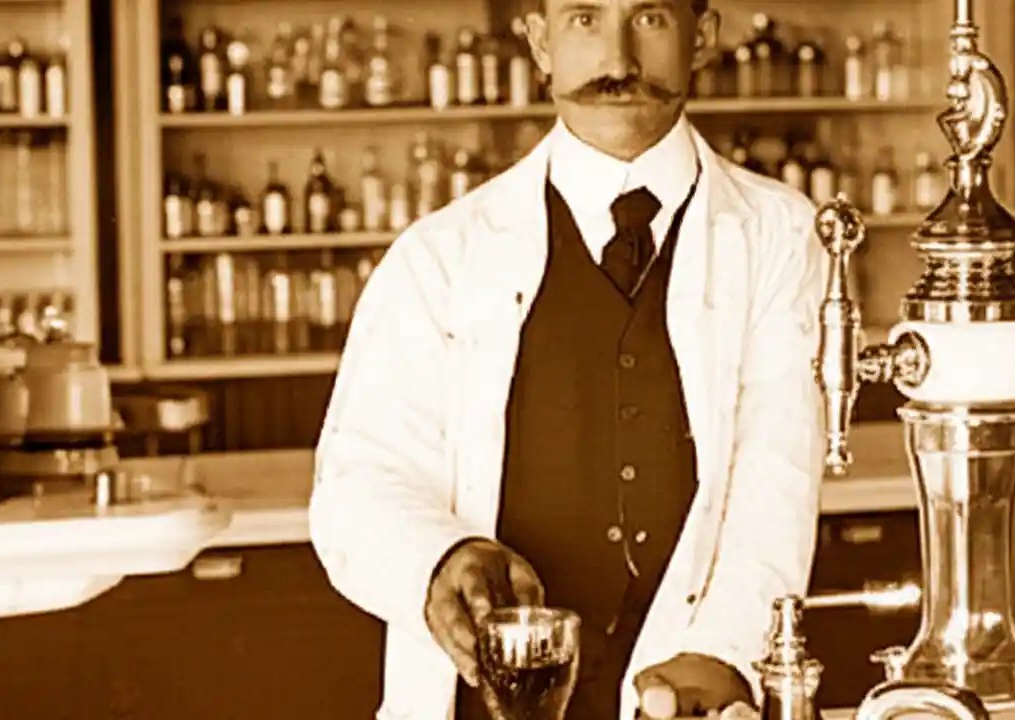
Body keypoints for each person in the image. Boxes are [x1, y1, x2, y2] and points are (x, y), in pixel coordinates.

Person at [308, 0, 827, 717]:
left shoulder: (780, 235)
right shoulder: (439, 257)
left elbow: (779, 473)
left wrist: (719, 652)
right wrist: (440, 559)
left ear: (703, 38)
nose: (618, 61)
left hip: (689, 694)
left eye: (649, 17)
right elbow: (358, 481)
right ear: (538, 43)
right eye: (584, 18)